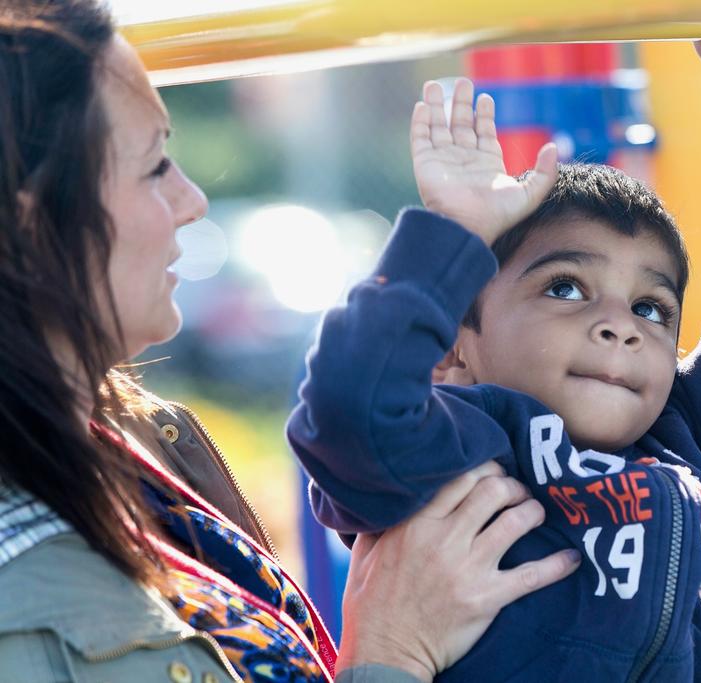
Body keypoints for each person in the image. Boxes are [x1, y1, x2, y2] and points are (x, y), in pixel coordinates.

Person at [0, 1, 580, 681]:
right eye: (156, 165)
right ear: (38, 226)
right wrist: (392, 652)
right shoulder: (23, 609)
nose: (193, 199)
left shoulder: (130, 444)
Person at [288, 37, 701, 681]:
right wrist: (457, 231)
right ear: (453, 351)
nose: (619, 326)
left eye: (651, 308)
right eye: (565, 288)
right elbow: (345, 405)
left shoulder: (689, 442)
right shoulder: (456, 451)